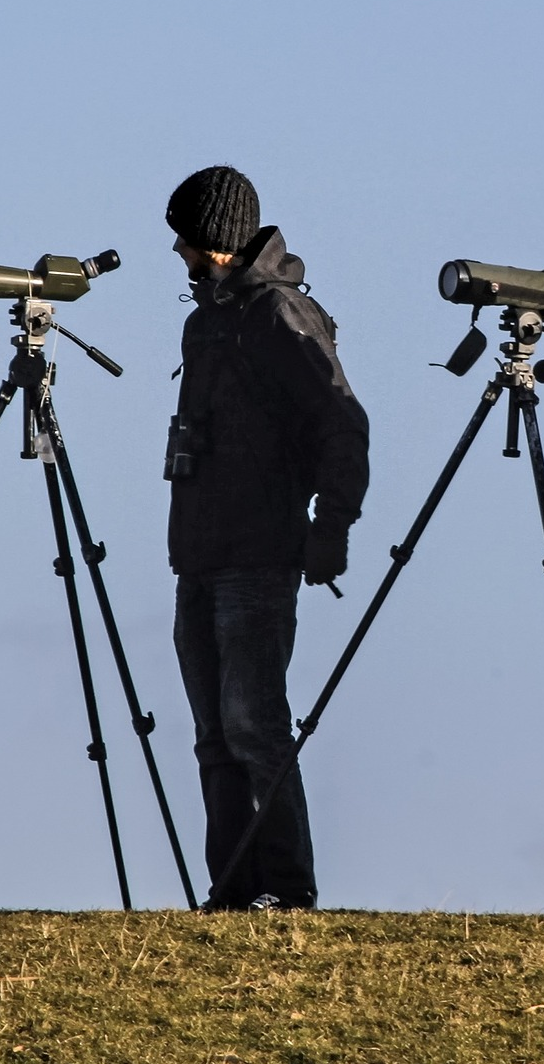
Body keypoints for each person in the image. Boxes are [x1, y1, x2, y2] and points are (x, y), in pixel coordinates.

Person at [163, 165, 369, 912]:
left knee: (253, 724)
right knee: (213, 733)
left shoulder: (281, 314)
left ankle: (286, 888)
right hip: (198, 554)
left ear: (213, 240)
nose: (178, 253)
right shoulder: (205, 321)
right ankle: (230, 890)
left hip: (257, 554)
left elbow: (341, 424)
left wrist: (331, 526)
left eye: (185, 239)